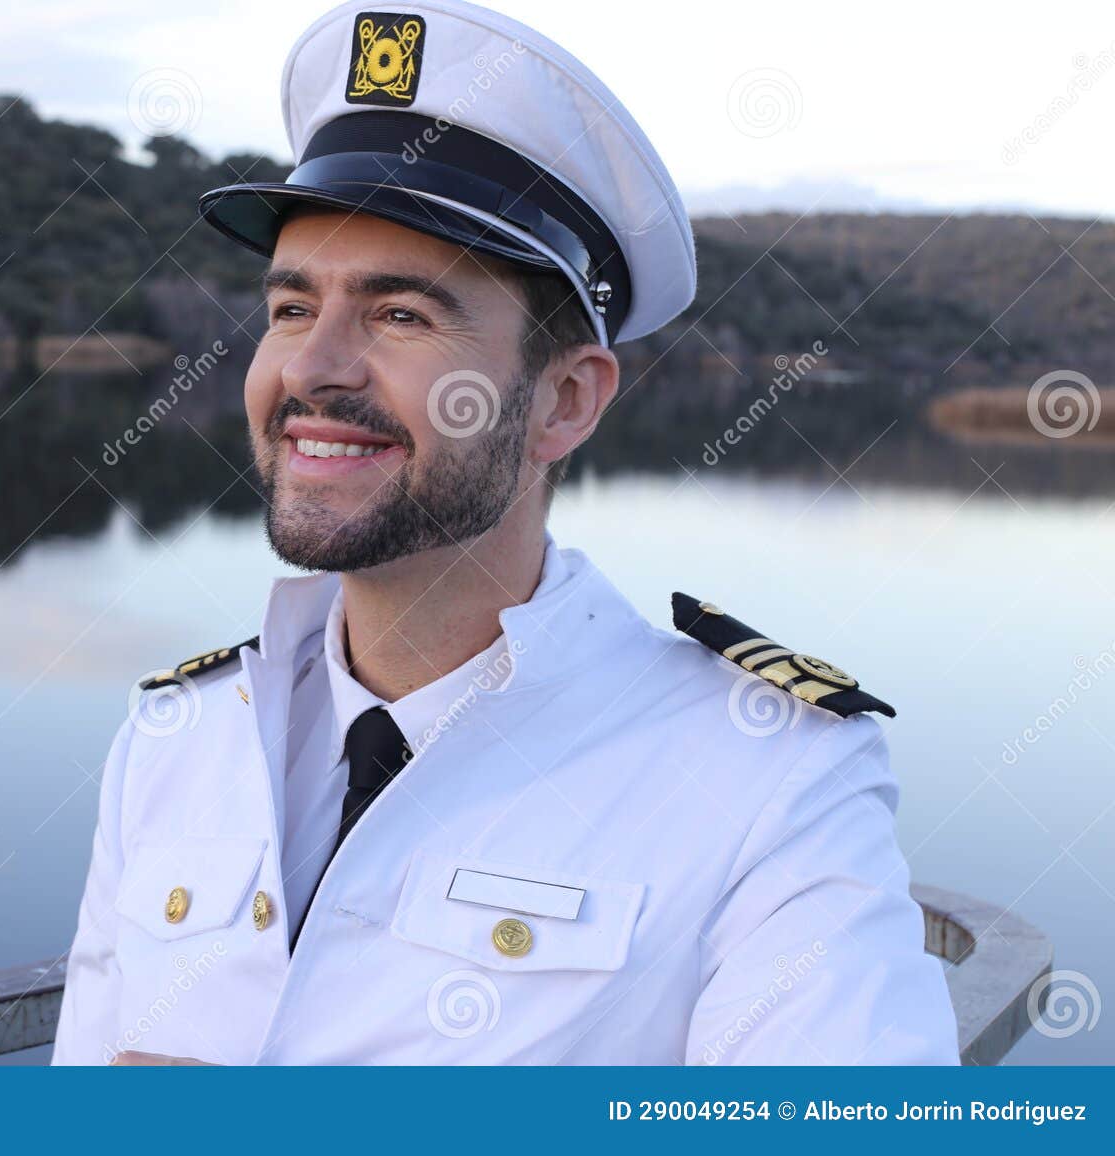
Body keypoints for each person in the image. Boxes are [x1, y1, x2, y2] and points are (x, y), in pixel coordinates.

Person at [52, 0, 959, 1065]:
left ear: (563, 402)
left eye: (401, 315)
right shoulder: (174, 739)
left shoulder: (772, 773)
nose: (312, 368)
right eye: (292, 308)